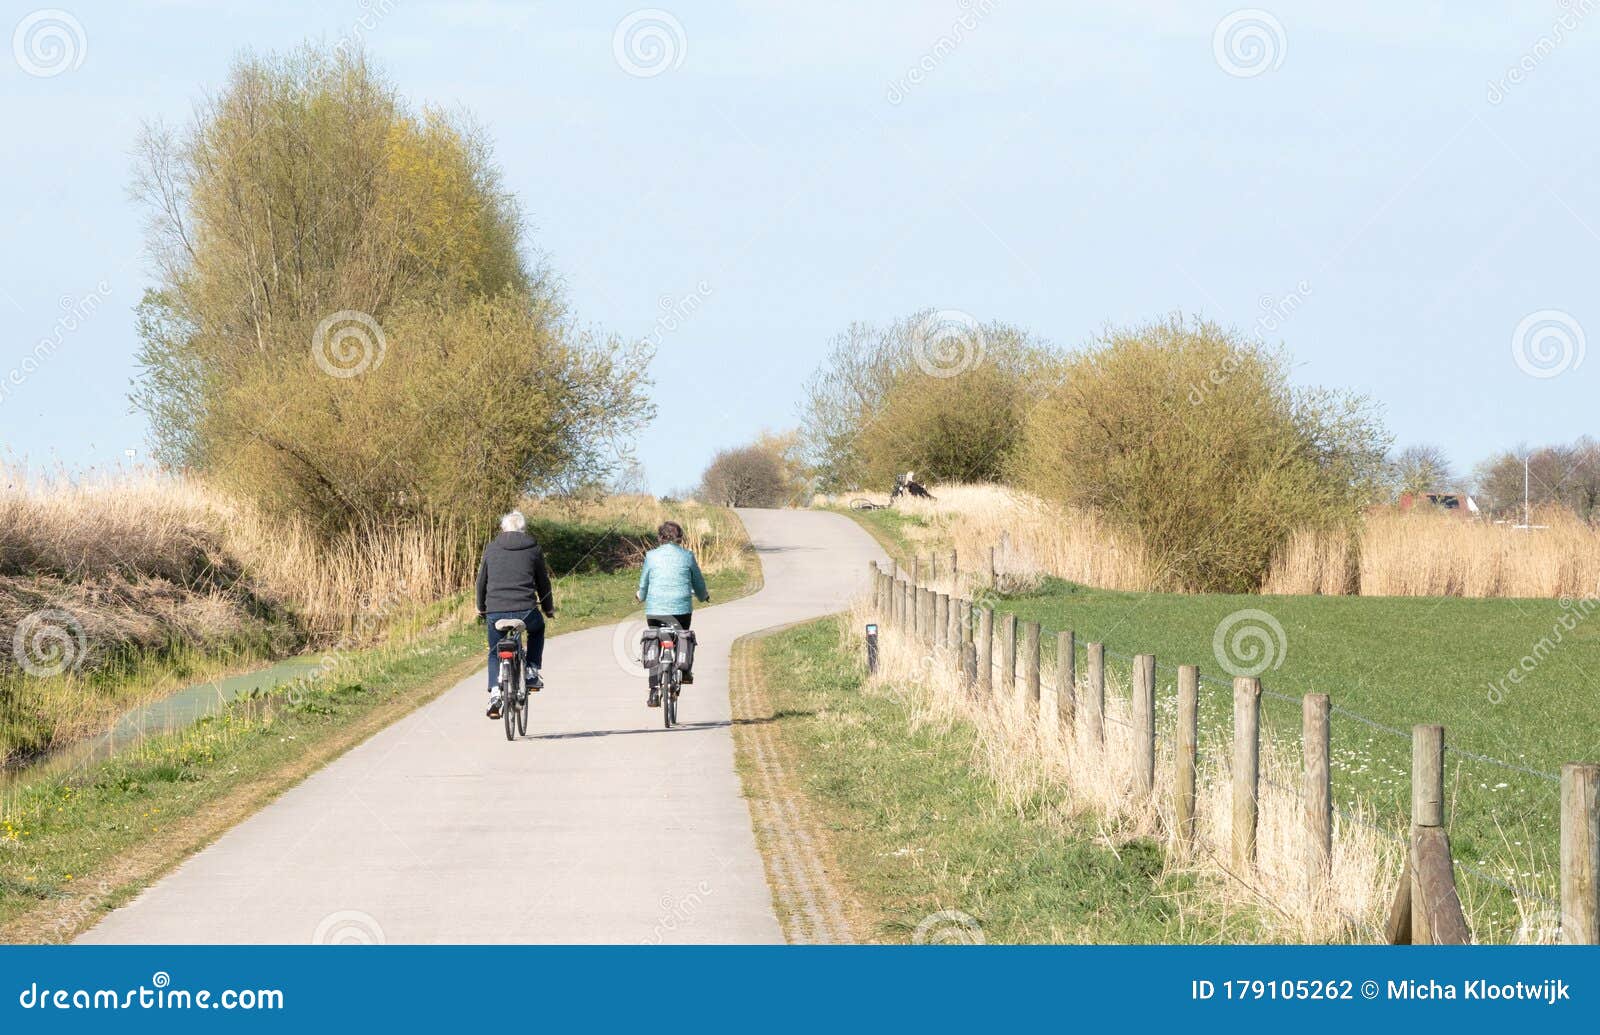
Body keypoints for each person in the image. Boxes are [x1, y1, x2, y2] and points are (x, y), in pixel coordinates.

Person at [475, 509, 555, 719]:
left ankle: (494, 693)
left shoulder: (491, 549)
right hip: (526, 610)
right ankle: (531, 670)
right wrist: (548, 608)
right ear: (523, 529)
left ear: (503, 529)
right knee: (537, 630)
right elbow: (543, 582)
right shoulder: (533, 549)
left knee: (494, 651)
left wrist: (480, 607)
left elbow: (481, 581)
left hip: (495, 611)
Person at [637, 520, 710, 702]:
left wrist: (640, 596)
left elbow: (644, 583)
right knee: (683, 636)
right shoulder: (687, 556)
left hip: (655, 611)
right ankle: (684, 671)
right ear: (680, 538)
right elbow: (698, 583)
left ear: (660, 537)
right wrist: (703, 596)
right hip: (681, 610)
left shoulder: (651, 556)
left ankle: (654, 691)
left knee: (654, 638)